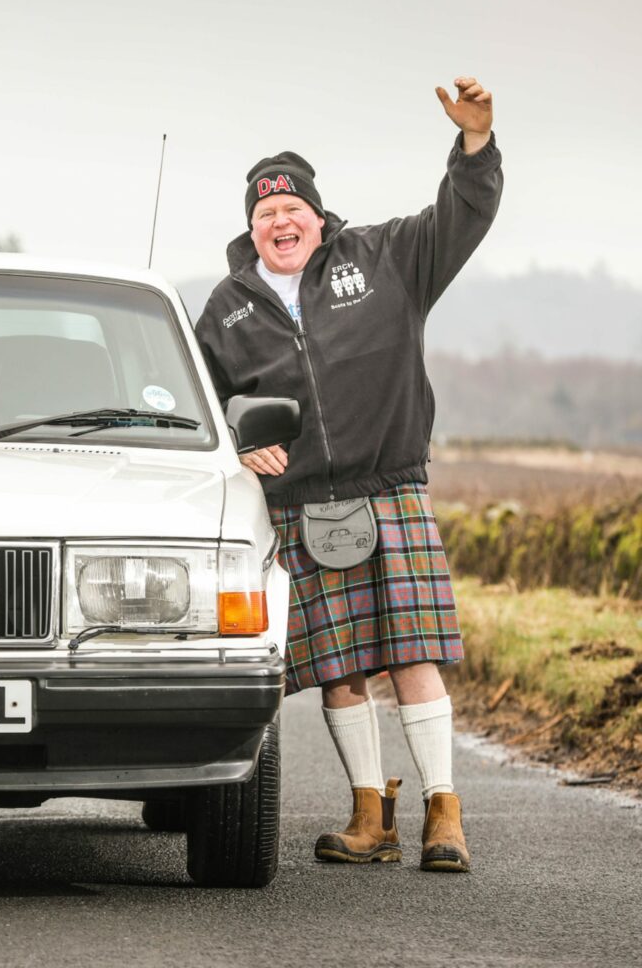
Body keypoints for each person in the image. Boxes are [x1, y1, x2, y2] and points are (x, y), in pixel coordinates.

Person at [194, 77, 502, 873]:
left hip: (388, 486)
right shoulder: (225, 308)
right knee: (339, 671)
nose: (279, 221)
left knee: (412, 657)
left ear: (318, 216)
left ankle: (444, 815)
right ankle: (372, 818)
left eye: (291, 208)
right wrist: (237, 436)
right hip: (302, 505)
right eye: (264, 214)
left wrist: (474, 145)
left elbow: (460, 218)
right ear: (250, 229)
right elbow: (199, 399)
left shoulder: (386, 257)